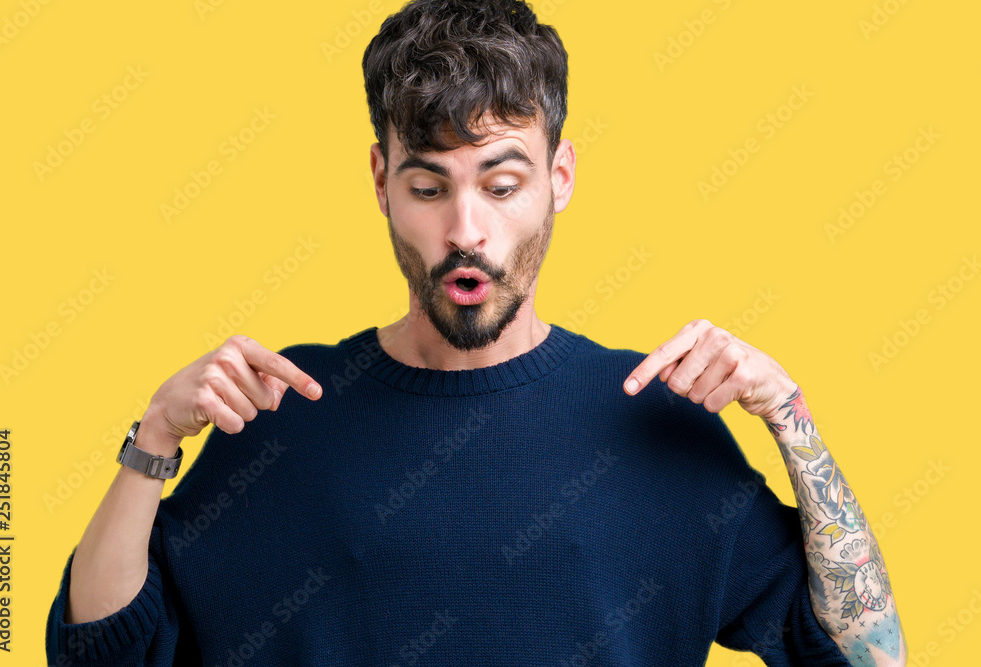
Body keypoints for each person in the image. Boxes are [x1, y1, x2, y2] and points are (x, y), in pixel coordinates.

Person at [45, 1, 908, 665]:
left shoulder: (657, 422)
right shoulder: (279, 411)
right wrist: (153, 439)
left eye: (500, 184)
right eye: (429, 188)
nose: (466, 230)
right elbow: (99, 646)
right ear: (381, 180)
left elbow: (864, 650)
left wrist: (789, 411)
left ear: (558, 177)